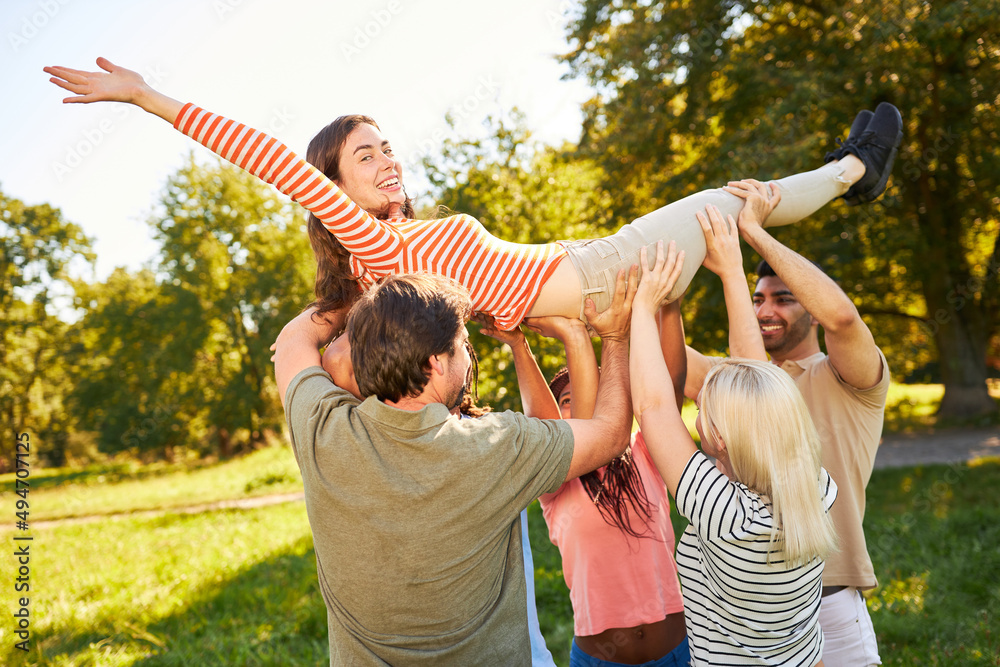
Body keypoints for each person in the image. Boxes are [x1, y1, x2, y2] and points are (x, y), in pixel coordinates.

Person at [45, 58, 902, 333]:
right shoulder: (373, 245)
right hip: (600, 278)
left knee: (732, 200)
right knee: (726, 199)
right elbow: (268, 156)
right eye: (364, 156)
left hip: (592, 264)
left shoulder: (409, 247)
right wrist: (147, 98)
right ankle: (857, 171)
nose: (387, 164)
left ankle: (843, 172)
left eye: (388, 149)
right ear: (332, 187)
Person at [271, 266, 644, 663]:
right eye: (463, 345)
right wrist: (615, 337)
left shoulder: (323, 431)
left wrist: (365, 292)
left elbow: (295, 338)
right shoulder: (494, 447)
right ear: (436, 365)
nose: (469, 355)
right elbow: (611, 434)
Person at [684, 179, 890, 666]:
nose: (765, 310)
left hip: (830, 603)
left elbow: (841, 318)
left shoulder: (849, 378)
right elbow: (669, 365)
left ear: (810, 309)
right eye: (757, 299)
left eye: (783, 298)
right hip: (747, 612)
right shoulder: (735, 378)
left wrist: (753, 230)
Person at [629, 200, 839, 664]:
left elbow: (654, 406)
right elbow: (756, 375)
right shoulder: (812, 487)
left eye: (704, 404)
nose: (696, 406)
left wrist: (641, 308)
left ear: (719, 438)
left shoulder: (730, 517)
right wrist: (730, 270)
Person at [481, 304, 690, 667]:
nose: (579, 405)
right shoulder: (557, 483)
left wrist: (669, 304)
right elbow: (547, 427)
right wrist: (518, 345)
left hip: (677, 652)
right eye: (566, 401)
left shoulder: (646, 456)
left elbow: (669, 390)